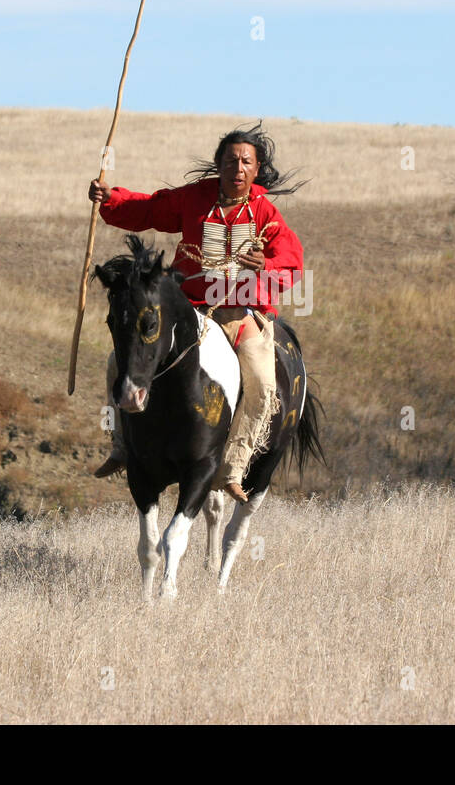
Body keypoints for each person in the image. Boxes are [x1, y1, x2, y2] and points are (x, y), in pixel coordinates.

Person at [87, 124, 306, 503]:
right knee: (115, 361)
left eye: (246, 162)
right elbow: (150, 209)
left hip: (239, 313)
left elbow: (293, 265)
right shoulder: (193, 199)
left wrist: (265, 266)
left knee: (264, 383)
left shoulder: (266, 214)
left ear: (256, 170)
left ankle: (234, 466)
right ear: (218, 165)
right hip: (188, 309)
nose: (237, 168)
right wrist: (109, 200)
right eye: (230, 160)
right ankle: (122, 446)